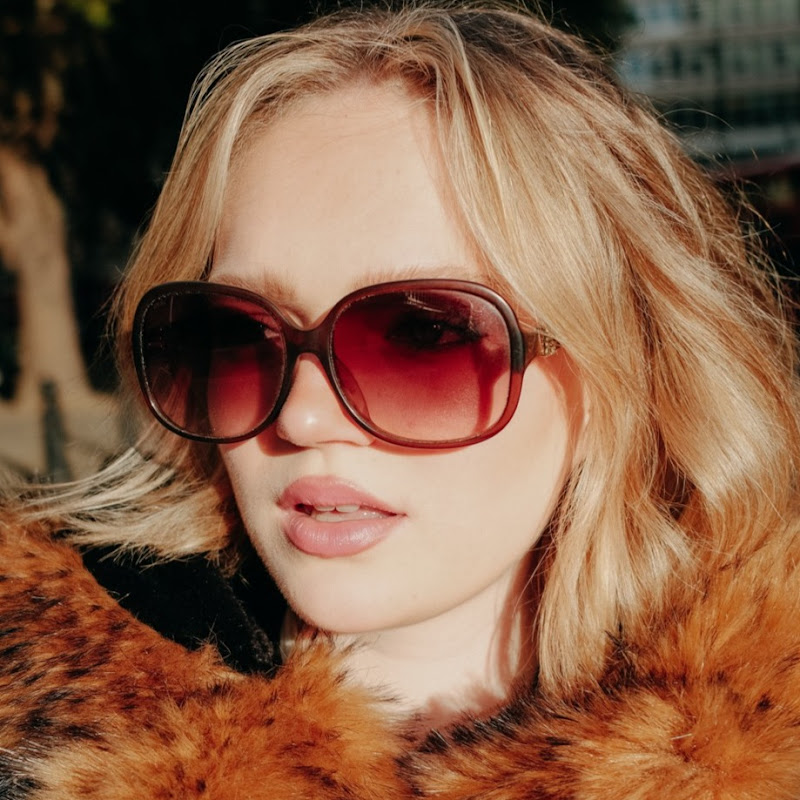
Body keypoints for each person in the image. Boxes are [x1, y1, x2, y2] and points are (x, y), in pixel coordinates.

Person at [2, 3, 800, 797]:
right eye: (239, 333)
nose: (301, 417)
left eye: (423, 335)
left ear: (617, 374)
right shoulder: (39, 724)